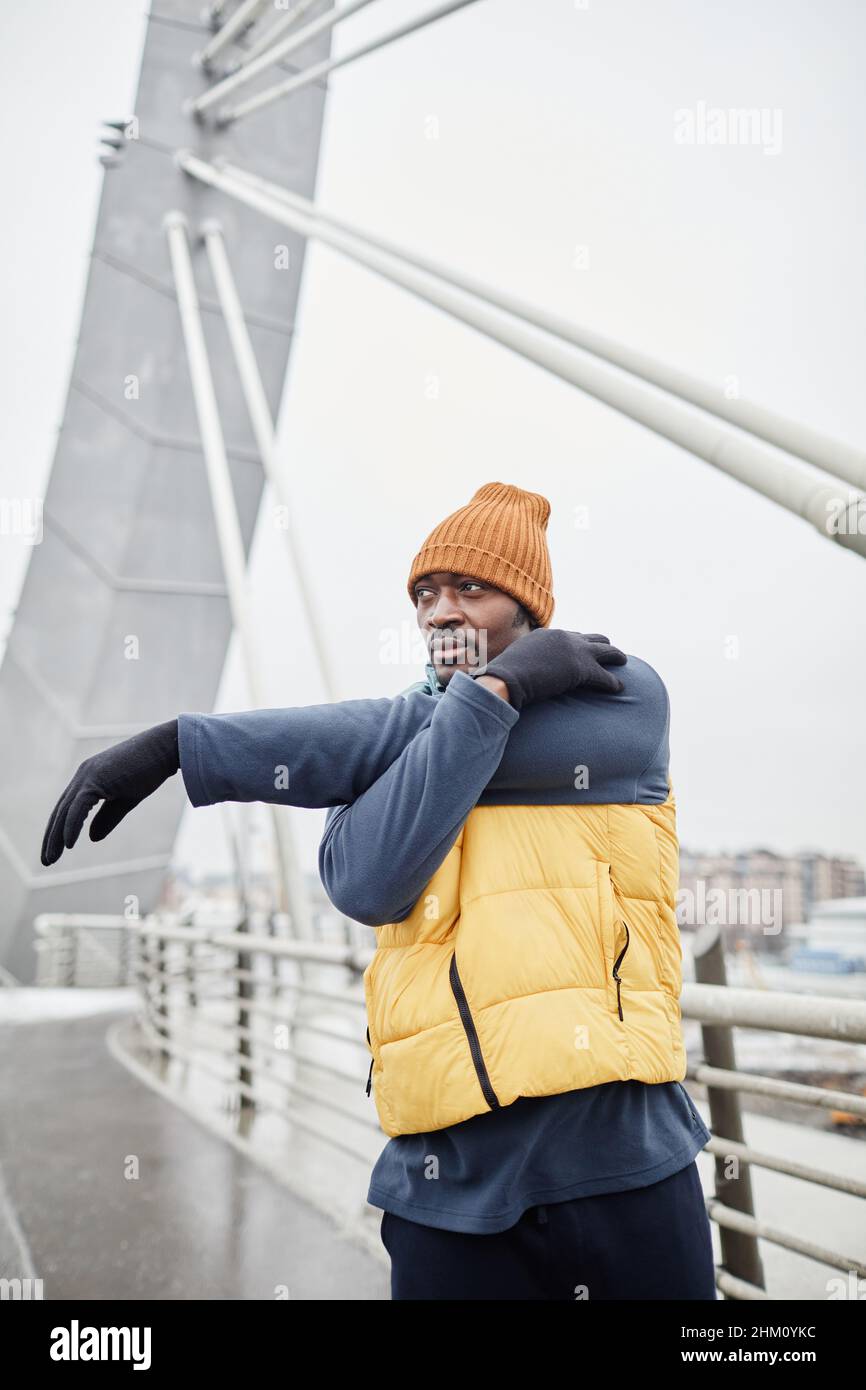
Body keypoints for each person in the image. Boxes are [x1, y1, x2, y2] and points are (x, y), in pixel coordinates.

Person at [40, 480, 716, 1301]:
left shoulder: (622, 696)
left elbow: (387, 738)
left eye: (471, 588)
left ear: (532, 608)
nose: (440, 611)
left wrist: (193, 747)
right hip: (444, 1184)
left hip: (621, 1164)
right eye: (426, 593)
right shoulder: (398, 744)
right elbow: (365, 883)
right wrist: (184, 744)